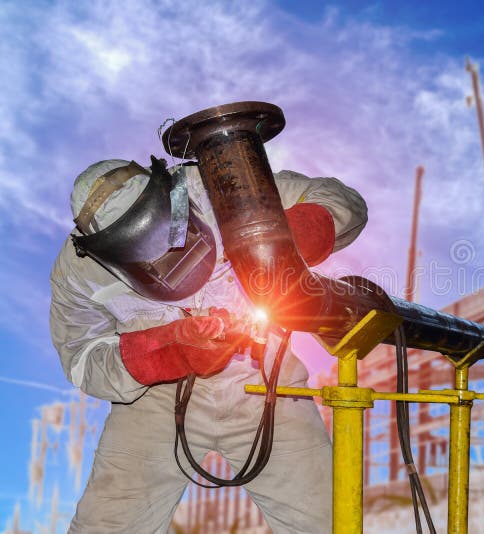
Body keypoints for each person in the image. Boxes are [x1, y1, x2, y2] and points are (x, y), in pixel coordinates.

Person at [49, 157, 368, 533]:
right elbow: (81, 360)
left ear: (172, 194)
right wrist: (167, 354)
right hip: (154, 403)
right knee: (106, 526)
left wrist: (298, 232)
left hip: (267, 384)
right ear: (106, 251)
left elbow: (344, 201)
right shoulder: (79, 268)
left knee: (329, 524)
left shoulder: (220, 186)